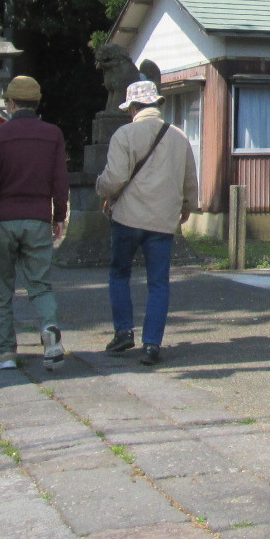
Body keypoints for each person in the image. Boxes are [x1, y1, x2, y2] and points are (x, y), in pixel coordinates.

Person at [97, 78, 197, 366]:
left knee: (119, 274)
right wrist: (187, 206)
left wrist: (100, 187)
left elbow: (114, 179)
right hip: (163, 219)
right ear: (157, 104)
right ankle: (152, 344)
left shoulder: (124, 134)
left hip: (128, 216)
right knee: (158, 283)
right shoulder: (179, 136)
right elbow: (190, 178)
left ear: (133, 108)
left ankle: (123, 331)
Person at [0, 75, 68, 370]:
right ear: (37, 103)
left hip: (3, 220)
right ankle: (50, 329)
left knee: (1, 288)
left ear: (11, 103)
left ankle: (5, 353)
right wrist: (59, 216)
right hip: (38, 218)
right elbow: (60, 181)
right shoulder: (53, 134)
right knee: (39, 284)